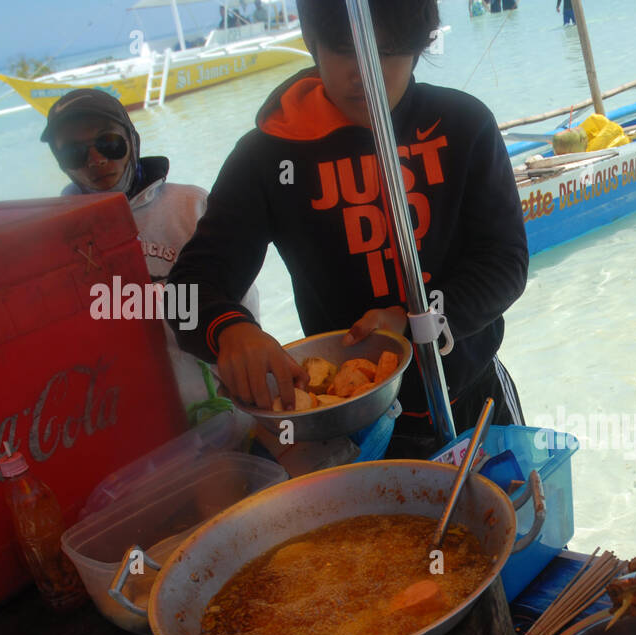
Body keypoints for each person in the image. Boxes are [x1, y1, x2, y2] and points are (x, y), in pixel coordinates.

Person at [169, 0, 528, 459]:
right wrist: (231, 330)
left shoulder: (463, 125)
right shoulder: (270, 156)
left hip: (475, 398)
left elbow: (506, 262)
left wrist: (415, 317)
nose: (364, 73)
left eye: (388, 52)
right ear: (311, 44)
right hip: (350, 424)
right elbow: (187, 292)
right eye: (344, 50)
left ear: (420, 48)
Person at [41, 88, 258, 420]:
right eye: (73, 153)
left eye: (108, 142)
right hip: (135, 419)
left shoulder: (190, 206)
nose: (96, 160)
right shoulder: (57, 239)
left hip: (226, 403)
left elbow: (239, 297)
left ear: (131, 138)